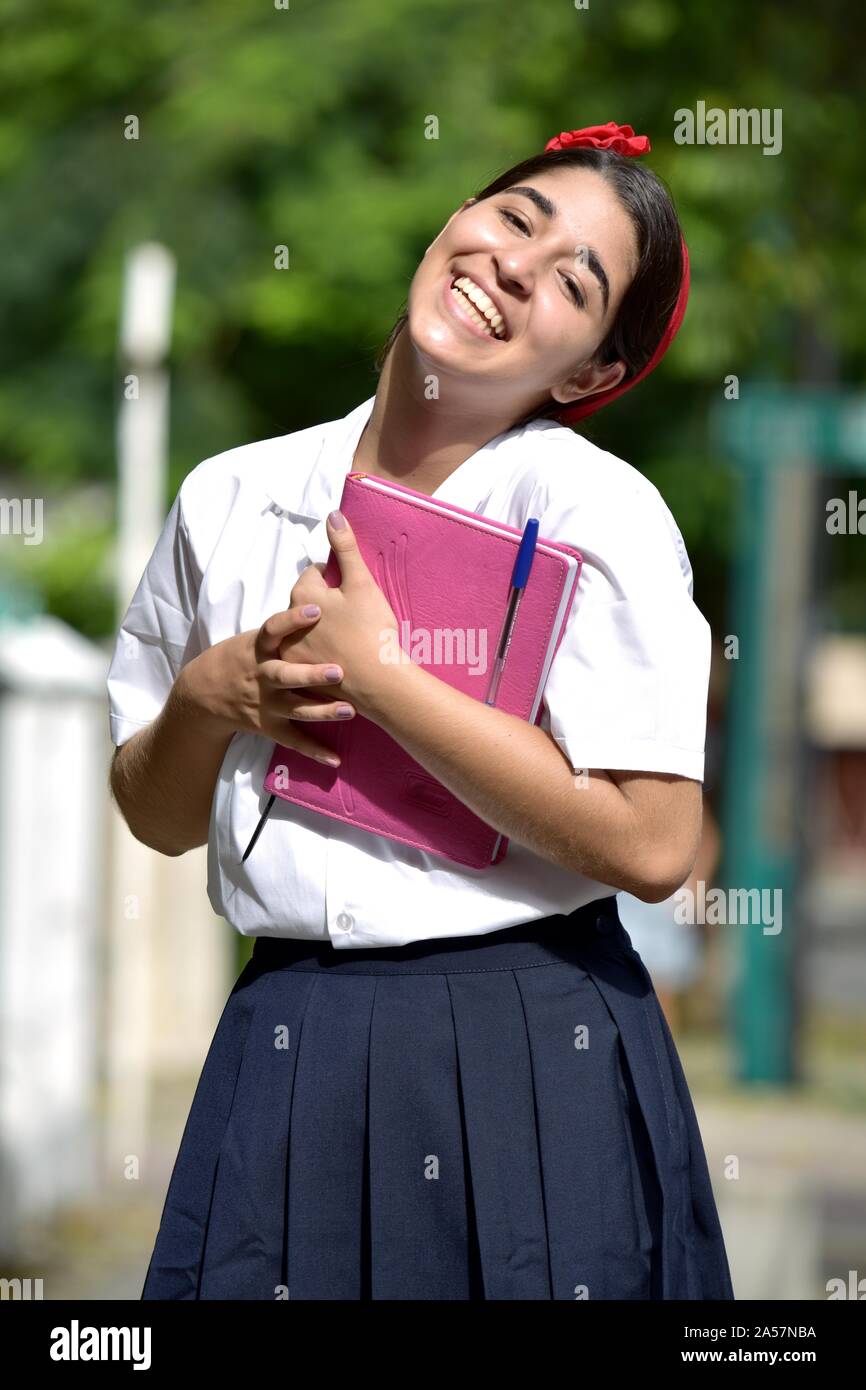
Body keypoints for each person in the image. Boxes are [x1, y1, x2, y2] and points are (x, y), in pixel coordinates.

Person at [107, 121, 735, 1301]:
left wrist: (384, 681)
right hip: (285, 1039)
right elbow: (154, 812)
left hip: (527, 1045)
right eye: (514, 219)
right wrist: (209, 698)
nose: (513, 268)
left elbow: (654, 845)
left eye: (572, 283)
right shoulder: (231, 495)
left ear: (590, 371)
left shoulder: (595, 510)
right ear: (457, 215)